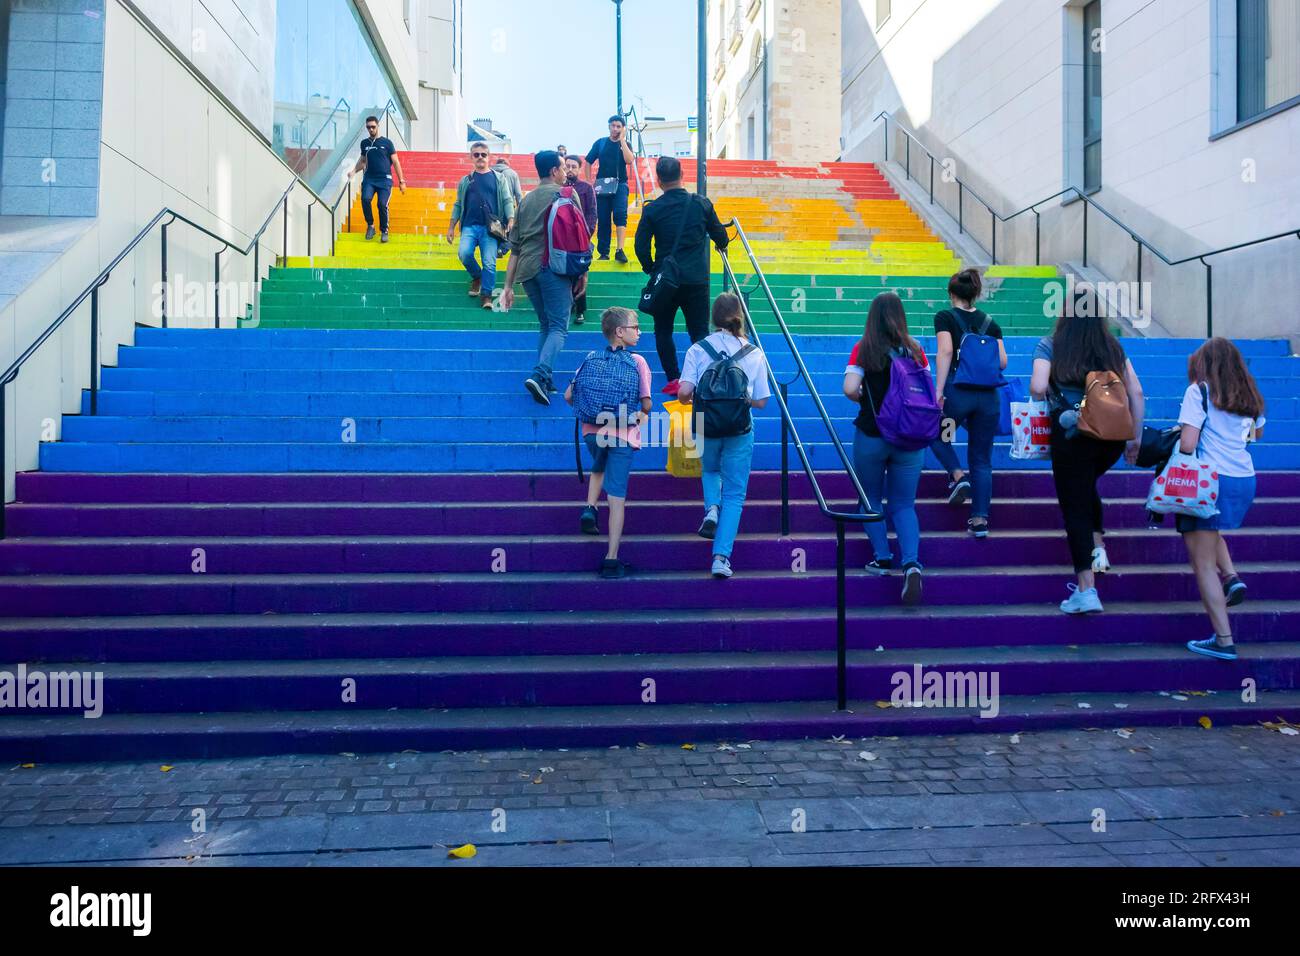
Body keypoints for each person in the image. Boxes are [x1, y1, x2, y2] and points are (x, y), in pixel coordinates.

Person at [1030, 288, 1145, 615]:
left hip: (1072, 435)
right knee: (1083, 489)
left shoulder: (1051, 344)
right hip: (1110, 437)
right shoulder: (1111, 346)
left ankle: (1087, 590)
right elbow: (1136, 390)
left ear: (1066, 312)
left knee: (1074, 507)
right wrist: (1134, 439)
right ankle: (1098, 547)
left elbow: (1038, 387)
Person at [1178, 338, 1266, 660]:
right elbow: (1256, 435)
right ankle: (1231, 578)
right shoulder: (1250, 397)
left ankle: (1223, 639)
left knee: (1201, 562)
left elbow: (1188, 444)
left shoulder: (1198, 392)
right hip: (1243, 478)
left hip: (1208, 480)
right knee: (1211, 532)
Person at [843, 292, 929, 605]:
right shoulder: (916, 350)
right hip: (910, 438)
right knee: (904, 504)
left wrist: (867, 396)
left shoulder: (864, 348)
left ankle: (881, 558)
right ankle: (911, 564)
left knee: (870, 499)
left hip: (873, 434)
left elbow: (850, 388)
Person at [677, 293, 771, 579]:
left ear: (713, 317)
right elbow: (762, 401)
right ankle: (721, 558)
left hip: (706, 422)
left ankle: (710, 511)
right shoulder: (753, 352)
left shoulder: (697, 349)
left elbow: (683, 394)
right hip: (740, 427)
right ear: (740, 316)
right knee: (735, 493)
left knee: (709, 469)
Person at [565, 307, 652, 580]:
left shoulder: (590, 358)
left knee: (598, 464)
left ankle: (590, 507)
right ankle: (611, 558)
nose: (639, 331)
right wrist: (640, 417)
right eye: (635, 327)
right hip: (622, 434)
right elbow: (647, 403)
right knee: (617, 499)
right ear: (619, 332)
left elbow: (569, 396)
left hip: (592, 432)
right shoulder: (638, 362)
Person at [634, 155, 729, 396]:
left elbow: (640, 246)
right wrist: (720, 242)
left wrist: (652, 267)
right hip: (696, 280)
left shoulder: (652, 209)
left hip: (666, 280)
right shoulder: (701, 204)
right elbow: (721, 236)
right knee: (698, 331)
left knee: (663, 330)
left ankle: (674, 379)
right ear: (682, 175)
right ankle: (699, 378)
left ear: (659, 179)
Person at [502, 150, 588, 405]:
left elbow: (515, 247)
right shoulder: (566, 193)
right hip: (554, 266)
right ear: (553, 171)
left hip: (527, 271)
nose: (565, 172)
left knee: (546, 325)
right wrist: (583, 272)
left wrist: (507, 285)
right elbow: (579, 235)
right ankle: (540, 376)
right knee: (560, 326)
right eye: (562, 168)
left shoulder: (526, 201)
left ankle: (545, 380)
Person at [928, 268, 1007, 536]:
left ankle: (958, 476)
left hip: (958, 396)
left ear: (952, 293)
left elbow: (946, 351)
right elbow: (1003, 362)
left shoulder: (945, 317)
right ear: (975, 294)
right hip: (988, 400)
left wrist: (938, 390)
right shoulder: (991, 323)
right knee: (982, 458)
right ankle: (980, 520)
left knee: (939, 434)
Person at [446, 143, 516, 310]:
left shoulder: (499, 178)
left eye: (483, 154)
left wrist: (511, 218)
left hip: (490, 228)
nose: (480, 157)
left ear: (489, 156)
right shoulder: (465, 180)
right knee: (464, 253)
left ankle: (486, 295)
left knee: (490, 263)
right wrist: (451, 226)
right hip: (469, 226)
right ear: (471, 157)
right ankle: (477, 276)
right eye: (476, 154)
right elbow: (458, 204)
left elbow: (507, 199)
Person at [585, 115, 636, 262]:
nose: (615, 128)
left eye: (618, 126)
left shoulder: (625, 143)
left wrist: (622, 140)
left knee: (620, 216)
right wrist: (589, 182)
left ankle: (620, 250)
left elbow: (629, 160)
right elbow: (588, 161)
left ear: (623, 129)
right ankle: (604, 253)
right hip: (602, 185)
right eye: (613, 125)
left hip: (620, 184)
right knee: (603, 219)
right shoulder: (600, 143)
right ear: (609, 126)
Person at [350, 116, 406, 242]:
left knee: (382, 204)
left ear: (378, 126)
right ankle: (370, 226)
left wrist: (401, 181)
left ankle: (384, 230)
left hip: (385, 180)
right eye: (368, 127)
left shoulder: (387, 143)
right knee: (365, 199)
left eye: (373, 127)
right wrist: (354, 171)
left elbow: (396, 162)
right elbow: (363, 161)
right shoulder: (364, 143)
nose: (371, 129)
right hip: (369, 178)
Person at [565, 156, 598, 325]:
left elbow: (592, 213)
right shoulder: (558, 188)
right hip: (562, 240)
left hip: (582, 239)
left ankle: (580, 310)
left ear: (579, 169)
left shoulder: (586, 188)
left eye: (573, 166)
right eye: (567, 166)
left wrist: (587, 233)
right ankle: (568, 305)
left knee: (580, 273)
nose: (570, 169)